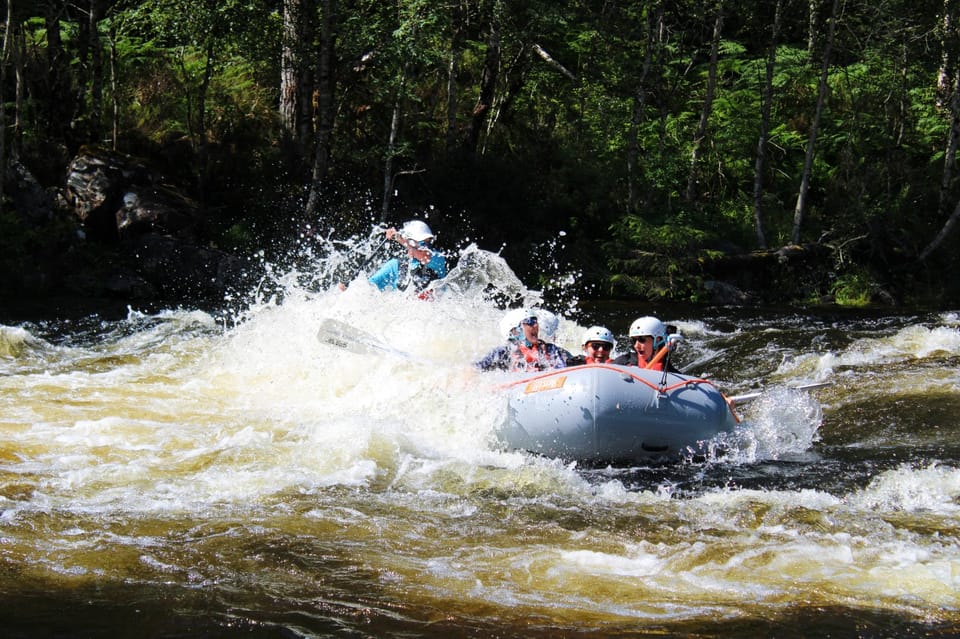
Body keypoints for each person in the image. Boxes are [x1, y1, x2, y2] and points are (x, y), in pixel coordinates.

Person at [475, 309, 568, 372]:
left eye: (536, 321)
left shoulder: (550, 350)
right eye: (530, 322)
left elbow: (562, 372)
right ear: (515, 331)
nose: (536, 325)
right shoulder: (502, 353)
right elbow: (473, 369)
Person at [367, 220, 448, 293]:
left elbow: (424, 257)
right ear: (409, 242)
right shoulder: (394, 266)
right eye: (422, 243)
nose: (426, 247)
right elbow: (369, 287)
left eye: (429, 242)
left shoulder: (438, 258)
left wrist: (398, 238)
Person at [613, 315, 682, 372]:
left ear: (657, 340)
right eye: (634, 340)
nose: (636, 346)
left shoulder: (671, 374)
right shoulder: (621, 363)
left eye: (642, 340)